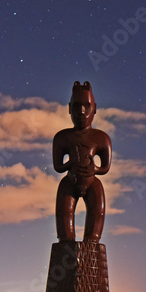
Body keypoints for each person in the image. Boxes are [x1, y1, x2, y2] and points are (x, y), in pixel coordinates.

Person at [53, 81, 111, 242]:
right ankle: (66, 243)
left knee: (96, 212)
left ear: (95, 108)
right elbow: (57, 166)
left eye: (87, 106)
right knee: (64, 214)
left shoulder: (101, 138)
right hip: (70, 180)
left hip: (92, 181)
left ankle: (91, 244)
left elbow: (105, 166)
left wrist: (95, 170)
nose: (82, 111)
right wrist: (70, 164)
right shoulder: (62, 137)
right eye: (77, 106)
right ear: (69, 108)